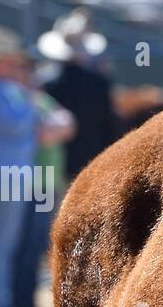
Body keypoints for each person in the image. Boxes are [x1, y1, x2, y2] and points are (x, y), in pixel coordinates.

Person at [11, 51, 75, 307]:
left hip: (45, 183)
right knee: (23, 246)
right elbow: (46, 134)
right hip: (29, 184)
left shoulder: (36, 99)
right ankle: (19, 303)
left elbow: (68, 124)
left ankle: (25, 304)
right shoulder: (17, 100)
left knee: (35, 246)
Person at [0, 27, 38, 307]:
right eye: (7, 59)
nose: (13, 65)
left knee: (2, 242)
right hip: (3, 175)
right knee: (1, 242)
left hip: (8, 174)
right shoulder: (2, 91)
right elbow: (16, 125)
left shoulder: (8, 90)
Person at [38, 9, 119, 180]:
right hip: (91, 163)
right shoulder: (99, 84)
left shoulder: (46, 82)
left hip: (53, 165)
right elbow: (108, 125)